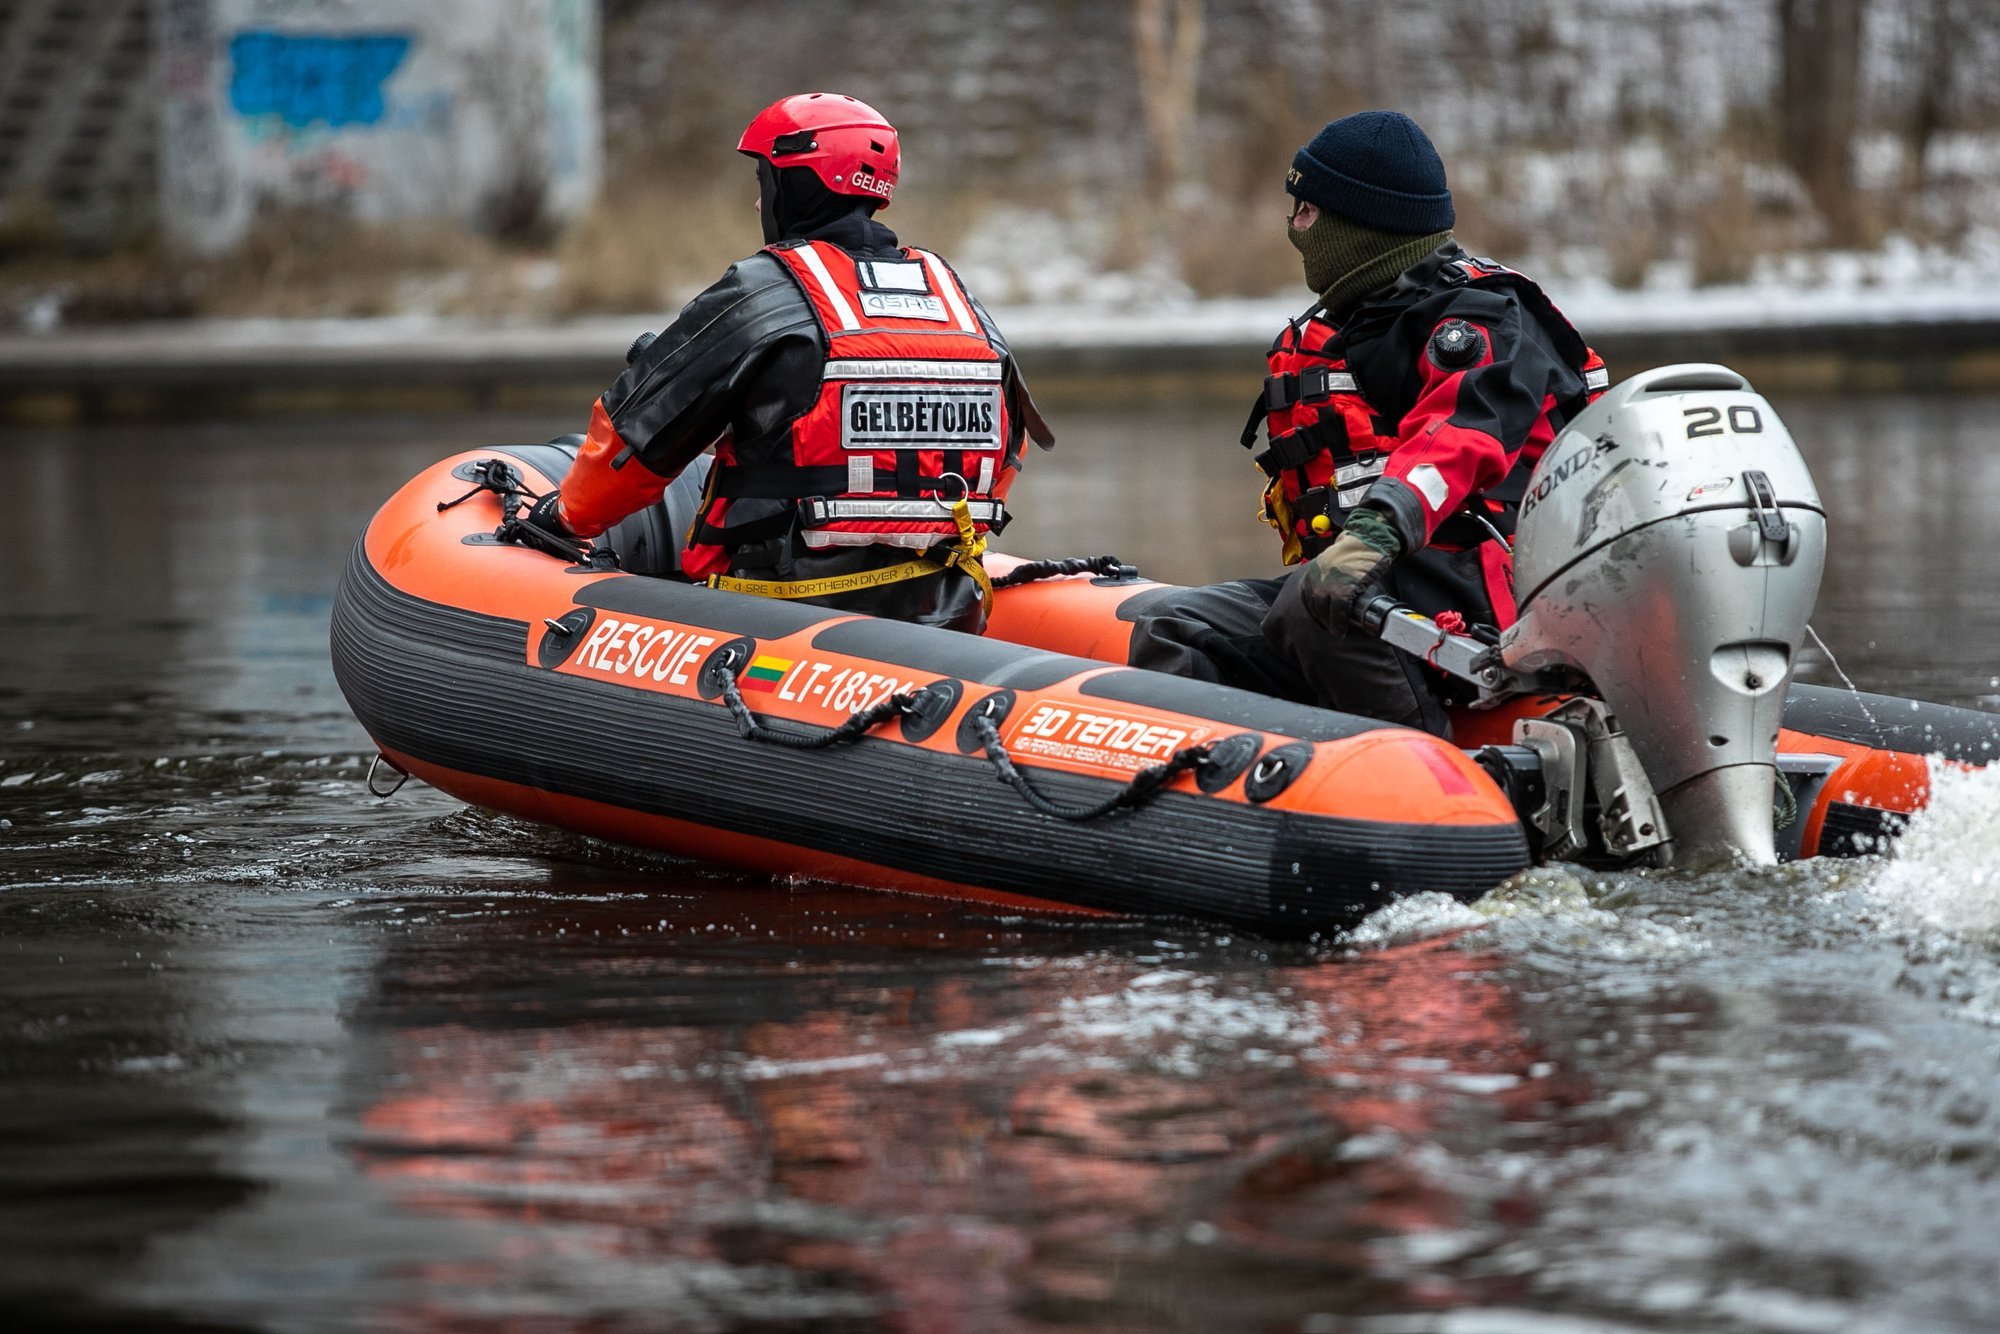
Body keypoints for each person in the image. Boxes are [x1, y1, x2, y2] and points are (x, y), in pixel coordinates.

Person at [1130, 110, 1606, 735]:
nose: (1294, 228)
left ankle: (1425, 784)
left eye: (1306, 212)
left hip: (1487, 595)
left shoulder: (1483, 320)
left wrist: (1375, 535)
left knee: (1314, 608)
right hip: (1380, 585)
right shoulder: (1362, 320)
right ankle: (1237, 806)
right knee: (1177, 628)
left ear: (1361, 225)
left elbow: (1459, 436)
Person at [525, 93, 1052, 632]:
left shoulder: (762, 292)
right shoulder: (955, 300)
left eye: (765, 184)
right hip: (944, 616)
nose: (760, 205)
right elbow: (1007, 451)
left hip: (779, 614)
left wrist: (565, 517)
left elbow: (637, 437)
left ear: (799, 185)